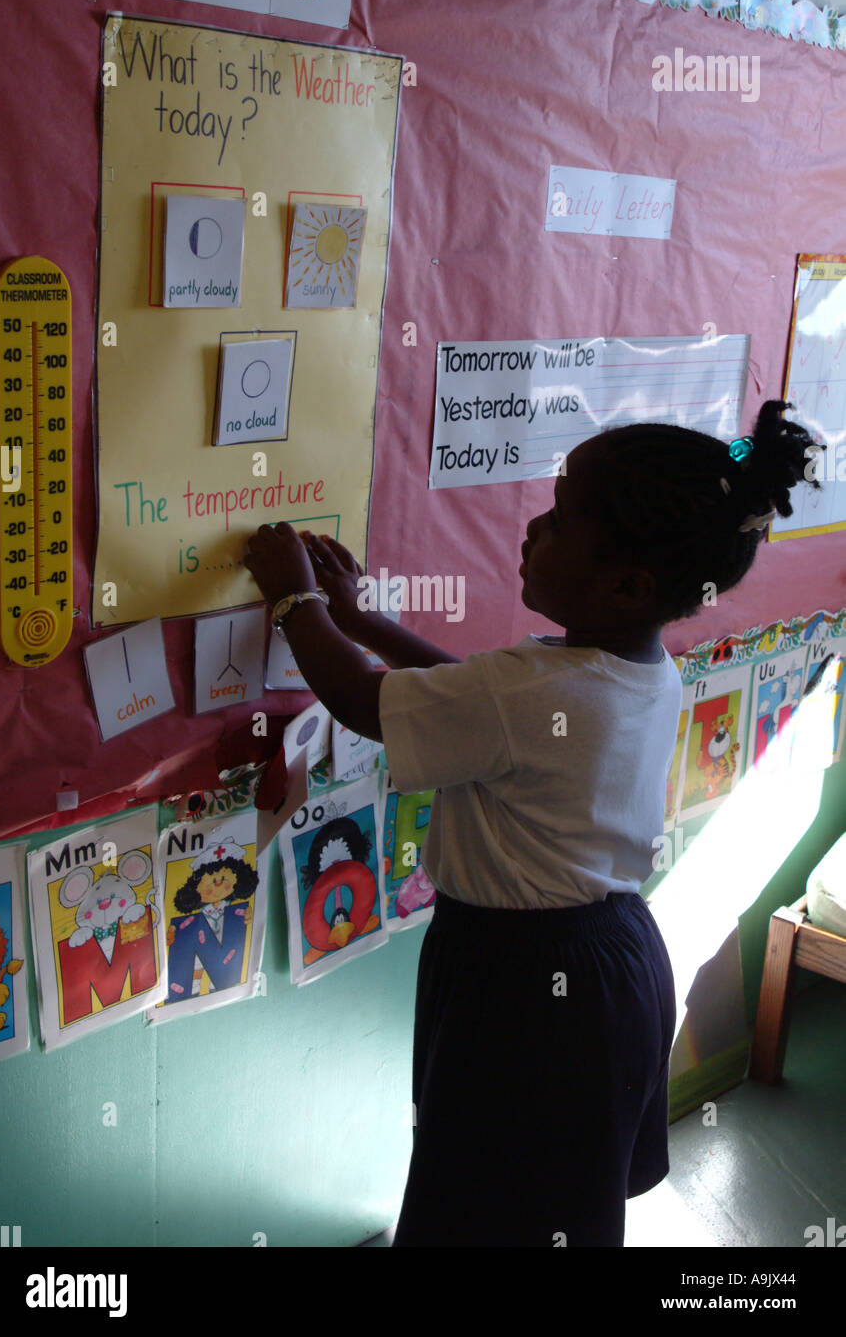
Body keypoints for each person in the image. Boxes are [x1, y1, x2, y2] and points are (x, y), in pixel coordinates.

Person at [243, 399, 823, 1247]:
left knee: (489, 1201)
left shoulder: (536, 691)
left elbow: (369, 704)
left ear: (626, 582)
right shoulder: (628, 664)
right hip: (603, 964)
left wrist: (296, 600)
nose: (532, 529)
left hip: (529, 986)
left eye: (558, 521)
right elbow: (470, 696)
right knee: (547, 1201)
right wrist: (359, 619)